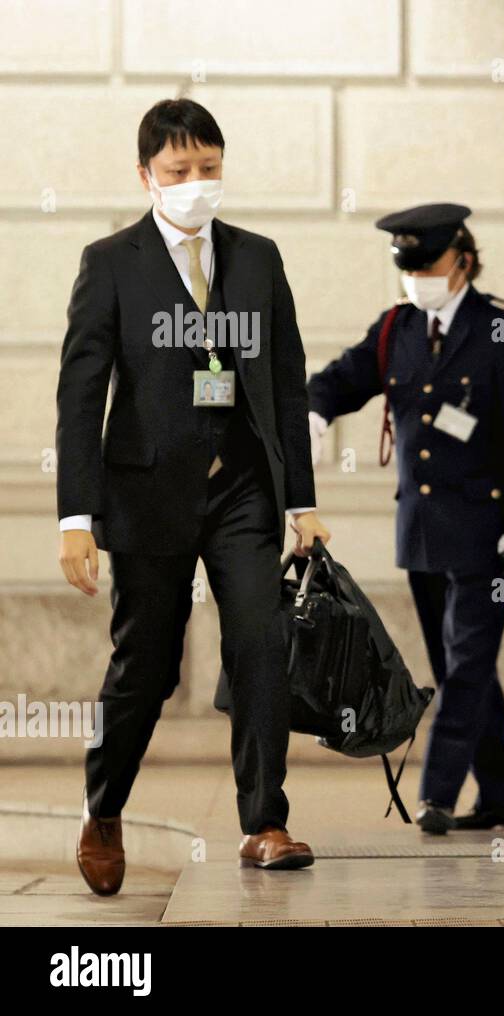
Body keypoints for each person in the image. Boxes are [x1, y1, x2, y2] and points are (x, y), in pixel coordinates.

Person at [56, 98, 330, 895]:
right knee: (146, 663)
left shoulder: (256, 257)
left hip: (242, 484)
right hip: (146, 494)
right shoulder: (110, 262)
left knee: (258, 640)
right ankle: (104, 807)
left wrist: (299, 501)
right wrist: (78, 518)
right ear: (146, 176)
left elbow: (285, 380)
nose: (197, 184)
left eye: (209, 169)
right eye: (179, 172)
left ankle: (264, 821)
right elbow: (82, 394)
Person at [307, 205, 504, 834]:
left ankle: (437, 793)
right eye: (406, 267)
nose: (416, 278)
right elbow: (338, 380)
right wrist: (315, 414)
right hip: (423, 533)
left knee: (465, 664)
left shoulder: (499, 328)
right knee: (460, 666)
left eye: (426, 264)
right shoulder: (395, 330)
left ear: (462, 259)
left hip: (487, 536)